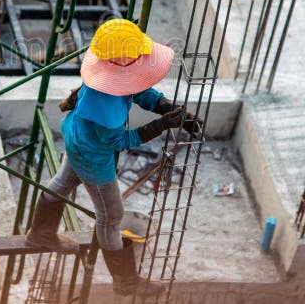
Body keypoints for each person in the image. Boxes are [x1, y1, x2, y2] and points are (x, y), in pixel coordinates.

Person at [25, 18, 200, 297]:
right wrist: (162, 124)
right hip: (92, 153)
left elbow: (137, 86)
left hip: (77, 134)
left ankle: (40, 234)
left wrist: (163, 106)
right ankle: (125, 280)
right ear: (122, 62)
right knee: (111, 215)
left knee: (63, 180)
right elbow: (121, 141)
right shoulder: (104, 108)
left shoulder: (110, 66)